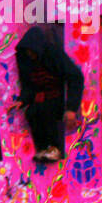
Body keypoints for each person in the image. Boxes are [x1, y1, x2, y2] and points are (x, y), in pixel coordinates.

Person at [13, 25, 84, 162]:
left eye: (32, 52)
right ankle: (44, 148)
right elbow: (28, 86)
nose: (31, 55)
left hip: (56, 97)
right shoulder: (26, 61)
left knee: (47, 110)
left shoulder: (53, 54)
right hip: (40, 97)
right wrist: (22, 100)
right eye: (28, 52)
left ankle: (55, 148)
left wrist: (71, 109)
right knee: (32, 112)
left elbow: (75, 77)